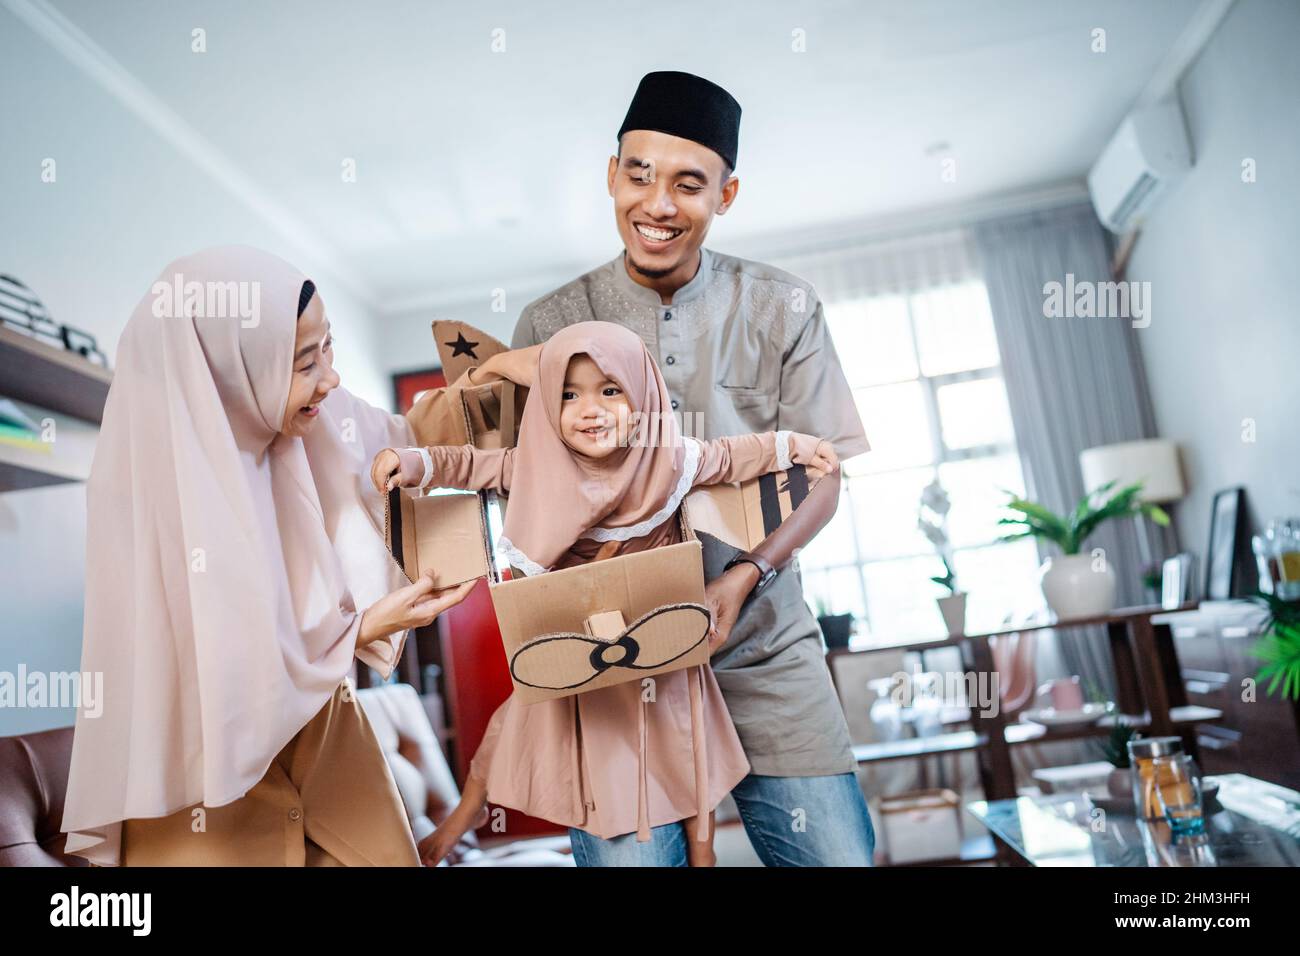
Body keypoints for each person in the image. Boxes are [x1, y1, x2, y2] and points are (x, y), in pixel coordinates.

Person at [510, 71, 876, 866]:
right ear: (612, 174)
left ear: (728, 193)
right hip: (614, 673)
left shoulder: (785, 307)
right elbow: (523, 488)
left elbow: (823, 472)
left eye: (688, 183)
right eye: (637, 174)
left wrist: (744, 577)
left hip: (764, 649)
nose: (657, 203)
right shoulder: (549, 324)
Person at [371, 321, 841, 867]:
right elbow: (466, 464)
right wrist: (411, 463)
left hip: (660, 638)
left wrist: (800, 445)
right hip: (576, 637)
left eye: (609, 391)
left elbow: (738, 454)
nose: (588, 409)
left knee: (689, 742)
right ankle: (470, 808)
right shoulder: (533, 464)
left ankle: (703, 848)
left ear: (641, 396)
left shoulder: (668, 458)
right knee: (521, 716)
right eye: (568, 395)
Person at [60, 245, 474, 866]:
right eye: (304, 362)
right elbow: (218, 666)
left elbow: (414, 435)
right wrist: (365, 626)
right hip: (205, 807)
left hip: (334, 762)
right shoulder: (143, 495)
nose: (329, 380)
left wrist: (521, 382)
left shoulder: (308, 422)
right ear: (232, 373)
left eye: (327, 348)